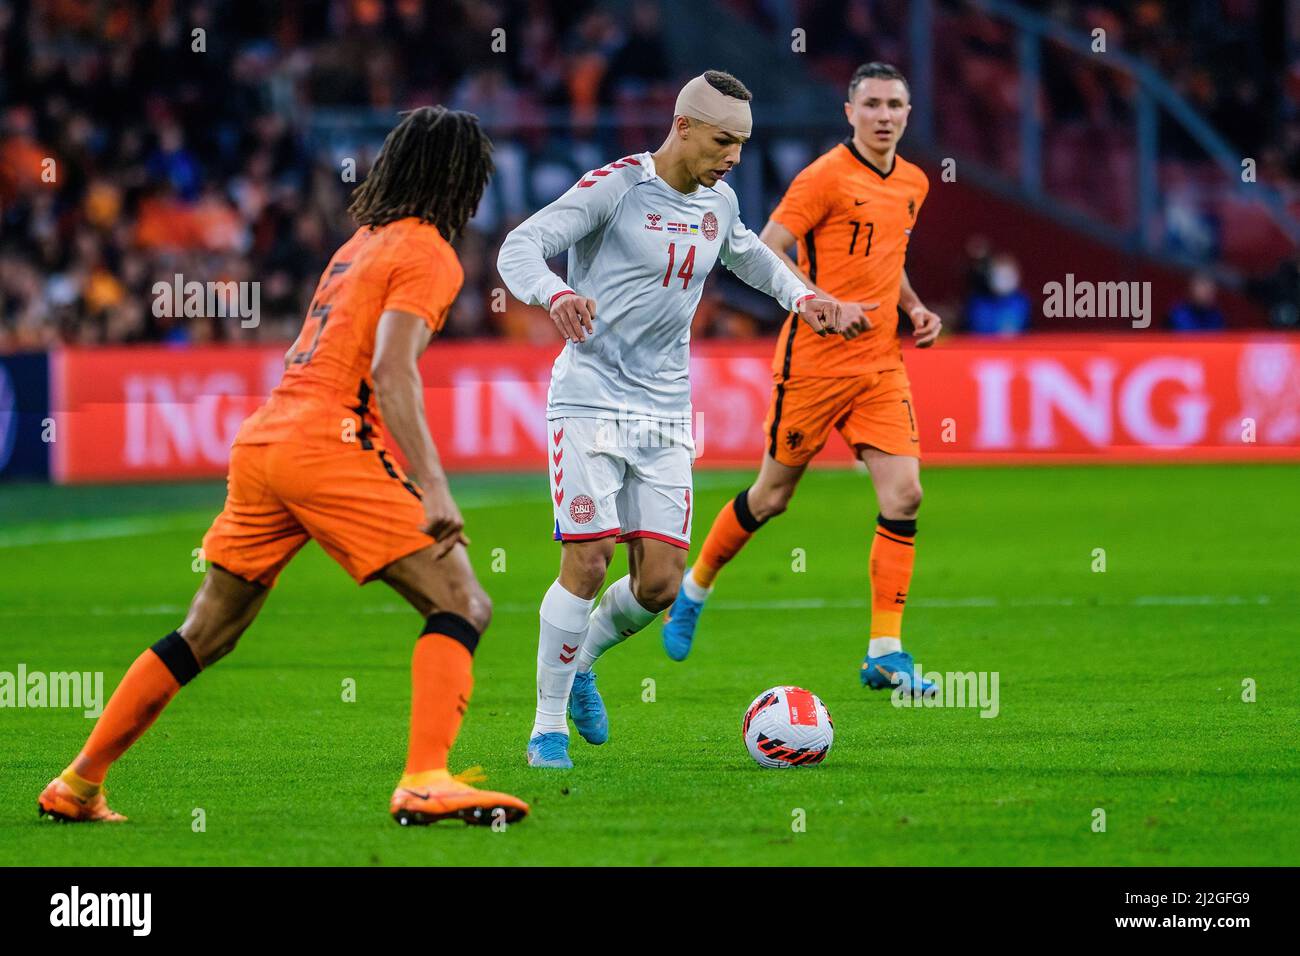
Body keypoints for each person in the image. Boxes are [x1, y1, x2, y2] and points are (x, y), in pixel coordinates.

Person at [38, 107, 529, 827]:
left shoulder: (357, 245)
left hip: (266, 440)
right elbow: (392, 369)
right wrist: (433, 486)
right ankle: (426, 778)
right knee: (463, 602)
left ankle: (78, 782)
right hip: (328, 445)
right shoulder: (429, 252)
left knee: (207, 631)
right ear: (460, 182)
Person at [497, 70, 841, 769]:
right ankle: (546, 728)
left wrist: (802, 298)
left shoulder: (720, 200)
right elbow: (519, 247)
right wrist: (555, 293)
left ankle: (582, 662)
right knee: (589, 558)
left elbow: (747, 252)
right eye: (722, 140)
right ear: (682, 126)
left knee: (659, 584)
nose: (734, 156)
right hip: (590, 398)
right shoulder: (615, 187)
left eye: (742, 143)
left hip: (663, 411)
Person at [663, 62, 943, 696]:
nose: (883, 115)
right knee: (771, 498)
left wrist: (913, 306)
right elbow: (768, 246)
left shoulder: (914, 182)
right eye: (871, 104)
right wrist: (826, 304)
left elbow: (889, 254)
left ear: (907, 113)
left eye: (894, 105)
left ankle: (885, 651)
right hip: (813, 363)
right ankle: (695, 587)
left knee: (905, 496)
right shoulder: (824, 177)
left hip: (879, 365)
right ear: (850, 112)